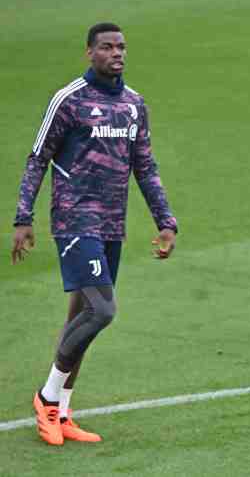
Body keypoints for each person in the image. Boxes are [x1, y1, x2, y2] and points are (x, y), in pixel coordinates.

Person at [11, 22, 178, 445]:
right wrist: (23, 217)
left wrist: (165, 221)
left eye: (121, 46)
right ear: (89, 52)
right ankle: (46, 398)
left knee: (82, 316)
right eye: (106, 47)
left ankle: (63, 412)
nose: (116, 53)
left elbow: (145, 166)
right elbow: (38, 158)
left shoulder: (134, 105)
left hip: (111, 225)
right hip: (74, 219)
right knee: (102, 311)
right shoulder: (69, 100)